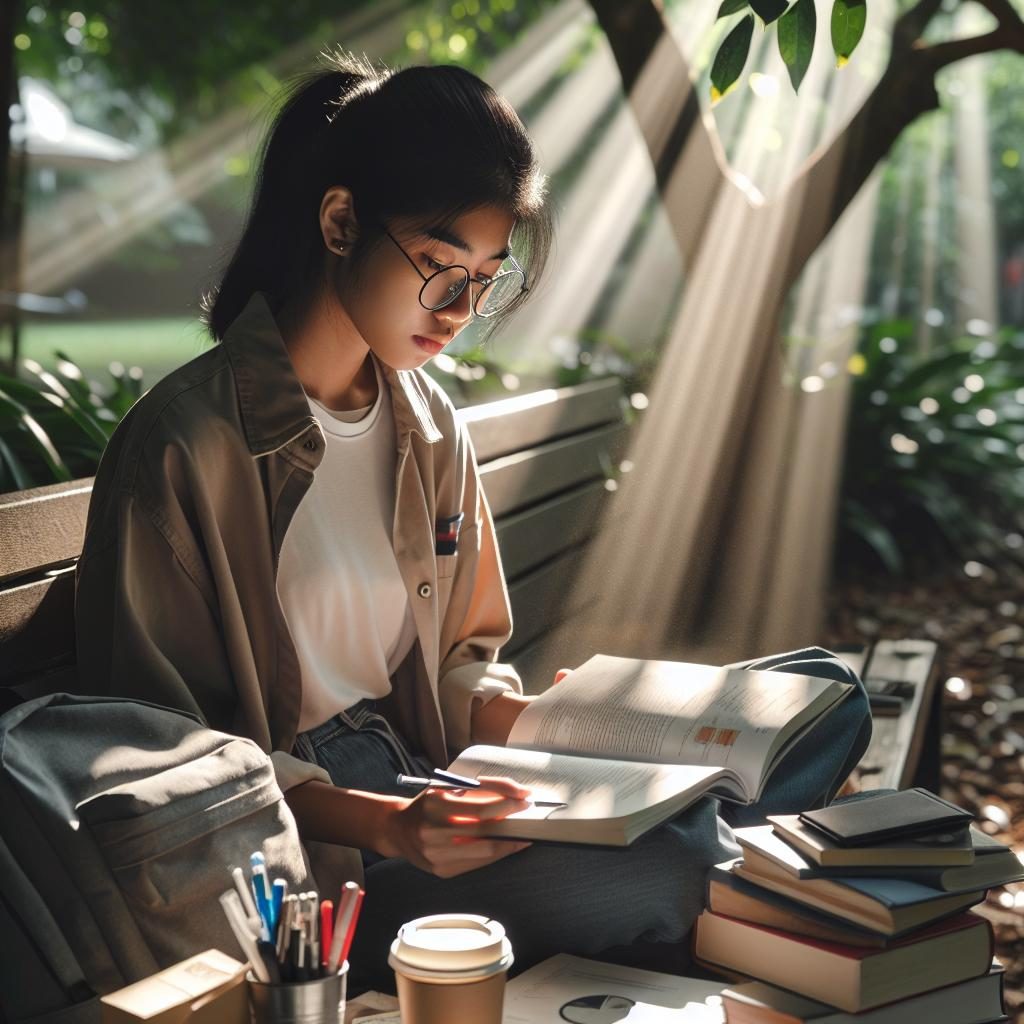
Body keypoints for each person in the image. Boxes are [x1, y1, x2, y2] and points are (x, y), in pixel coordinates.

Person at [74, 52, 871, 992]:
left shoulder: (426, 423)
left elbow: (460, 664)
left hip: (435, 779)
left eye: (486, 279)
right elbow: (174, 765)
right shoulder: (187, 444)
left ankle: (703, 843)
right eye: (442, 269)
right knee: (678, 854)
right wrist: (389, 825)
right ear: (339, 223)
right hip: (322, 865)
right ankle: (719, 858)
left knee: (825, 695)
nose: (460, 312)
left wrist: (554, 720)